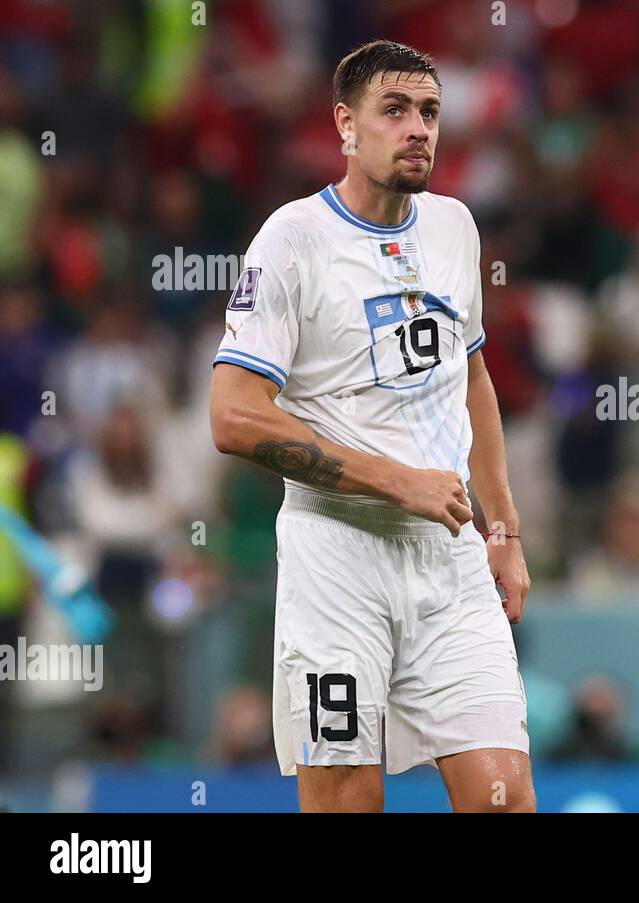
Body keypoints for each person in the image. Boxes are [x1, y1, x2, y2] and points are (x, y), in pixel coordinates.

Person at [209, 40, 534, 813]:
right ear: (345, 126)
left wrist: (505, 529)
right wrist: (394, 479)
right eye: (394, 111)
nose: (418, 128)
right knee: (348, 800)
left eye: (428, 112)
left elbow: (473, 373)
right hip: (336, 560)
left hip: (448, 560)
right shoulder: (293, 241)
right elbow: (232, 415)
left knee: (502, 796)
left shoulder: (454, 228)